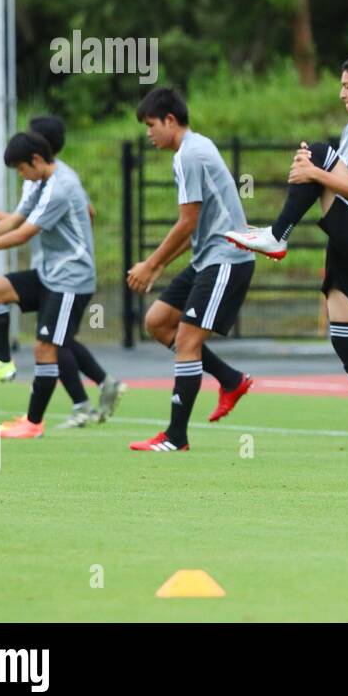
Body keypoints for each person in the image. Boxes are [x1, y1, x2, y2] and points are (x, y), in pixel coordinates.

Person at [225, 55, 348, 462]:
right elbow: (336, 183)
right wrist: (314, 173)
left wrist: (314, 172)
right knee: (346, 342)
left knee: (322, 153)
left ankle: (277, 236)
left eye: (347, 85)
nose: (341, 93)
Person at [0, 114, 125, 425]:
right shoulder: (44, 181)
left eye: (22, 169)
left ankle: (43, 419)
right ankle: (3, 363)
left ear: (37, 155)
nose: (22, 176)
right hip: (50, 273)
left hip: (69, 279)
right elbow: (15, 221)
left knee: (48, 346)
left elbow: (23, 232)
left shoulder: (59, 186)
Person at [126, 87, 256, 452]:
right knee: (157, 321)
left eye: (151, 125)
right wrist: (158, 266)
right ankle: (230, 380)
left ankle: (175, 437)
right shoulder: (194, 148)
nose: (149, 133)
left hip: (227, 259)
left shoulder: (189, 155)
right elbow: (194, 223)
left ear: (170, 120)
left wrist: (151, 264)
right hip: (209, 259)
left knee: (185, 340)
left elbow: (186, 222)